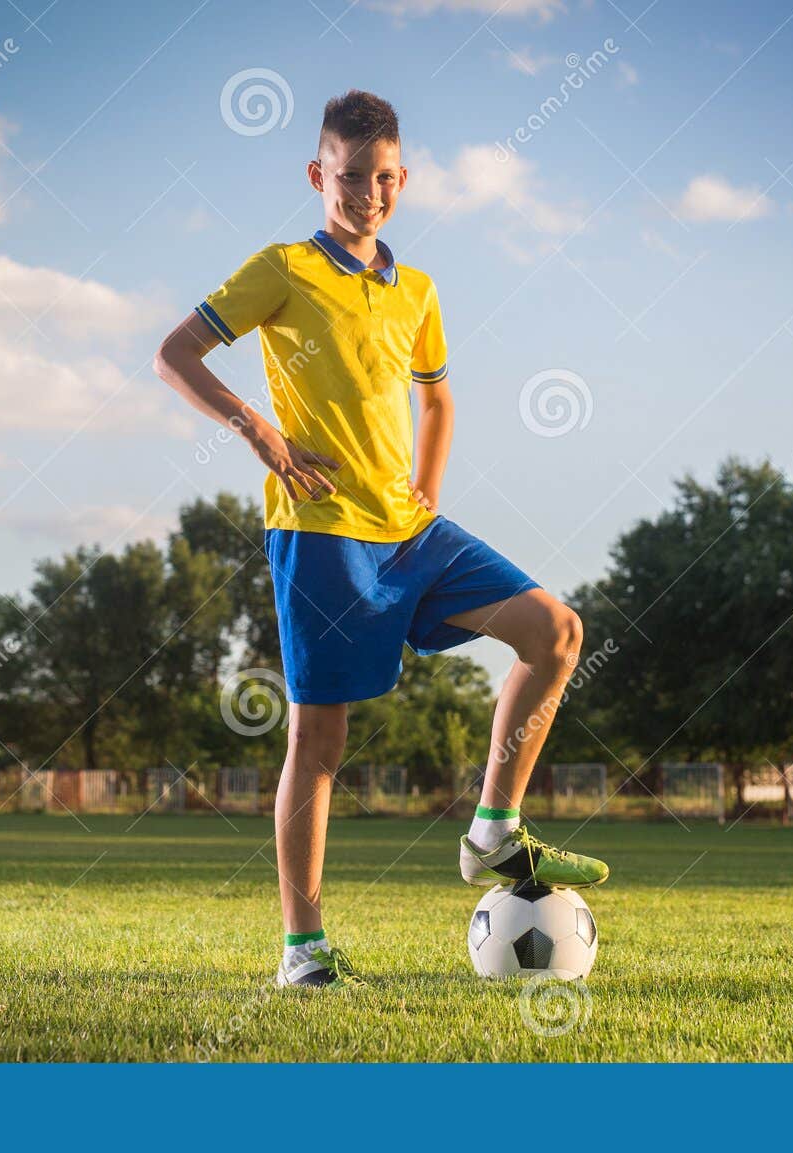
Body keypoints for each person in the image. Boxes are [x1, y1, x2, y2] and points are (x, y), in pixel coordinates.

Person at [153, 90, 608, 990]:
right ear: (320, 176)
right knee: (318, 748)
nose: (368, 194)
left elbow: (437, 399)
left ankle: (493, 830)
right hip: (322, 535)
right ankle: (302, 952)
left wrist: (425, 499)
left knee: (555, 631)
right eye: (351, 177)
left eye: (384, 178)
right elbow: (175, 354)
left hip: (413, 533)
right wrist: (258, 431)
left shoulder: (419, 289)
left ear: (403, 179)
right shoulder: (281, 267)